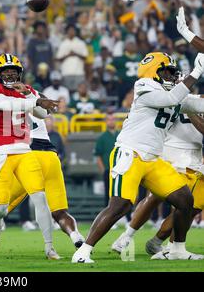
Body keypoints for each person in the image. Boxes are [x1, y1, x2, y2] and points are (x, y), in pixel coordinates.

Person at [72, 51, 204, 263]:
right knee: (120, 205)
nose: (172, 77)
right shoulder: (144, 86)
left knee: (185, 200)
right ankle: (83, 251)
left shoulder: (175, 94)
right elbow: (171, 98)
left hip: (152, 159)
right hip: (130, 152)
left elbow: (196, 103)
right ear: (153, 71)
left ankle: (177, 249)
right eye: (167, 72)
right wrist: (197, 72)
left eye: (173, 73)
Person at [0, 111, 84, 258]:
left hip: (24, 157)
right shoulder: (28, 102)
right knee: (57, 211)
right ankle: (75, 238)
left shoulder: (6, 108)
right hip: (50, 157)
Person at [112, 113, 204, 259]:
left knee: (190, 206)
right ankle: (127, 238)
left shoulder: (189, 100)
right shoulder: (170, 98)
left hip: (192, 157)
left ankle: (161, 244)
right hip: (170, 152)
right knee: (157, 197)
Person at [94, 113, 119, 207]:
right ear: (106, 122)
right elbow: (98, 155)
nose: (111, 121)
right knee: (108, 194)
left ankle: (126, 217)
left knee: (122, 193)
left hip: (121, 169)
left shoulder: (120, 135)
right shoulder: (102, 137)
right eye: (109, 119)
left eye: (113, 119)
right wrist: (104, 170)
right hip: (108, 169)